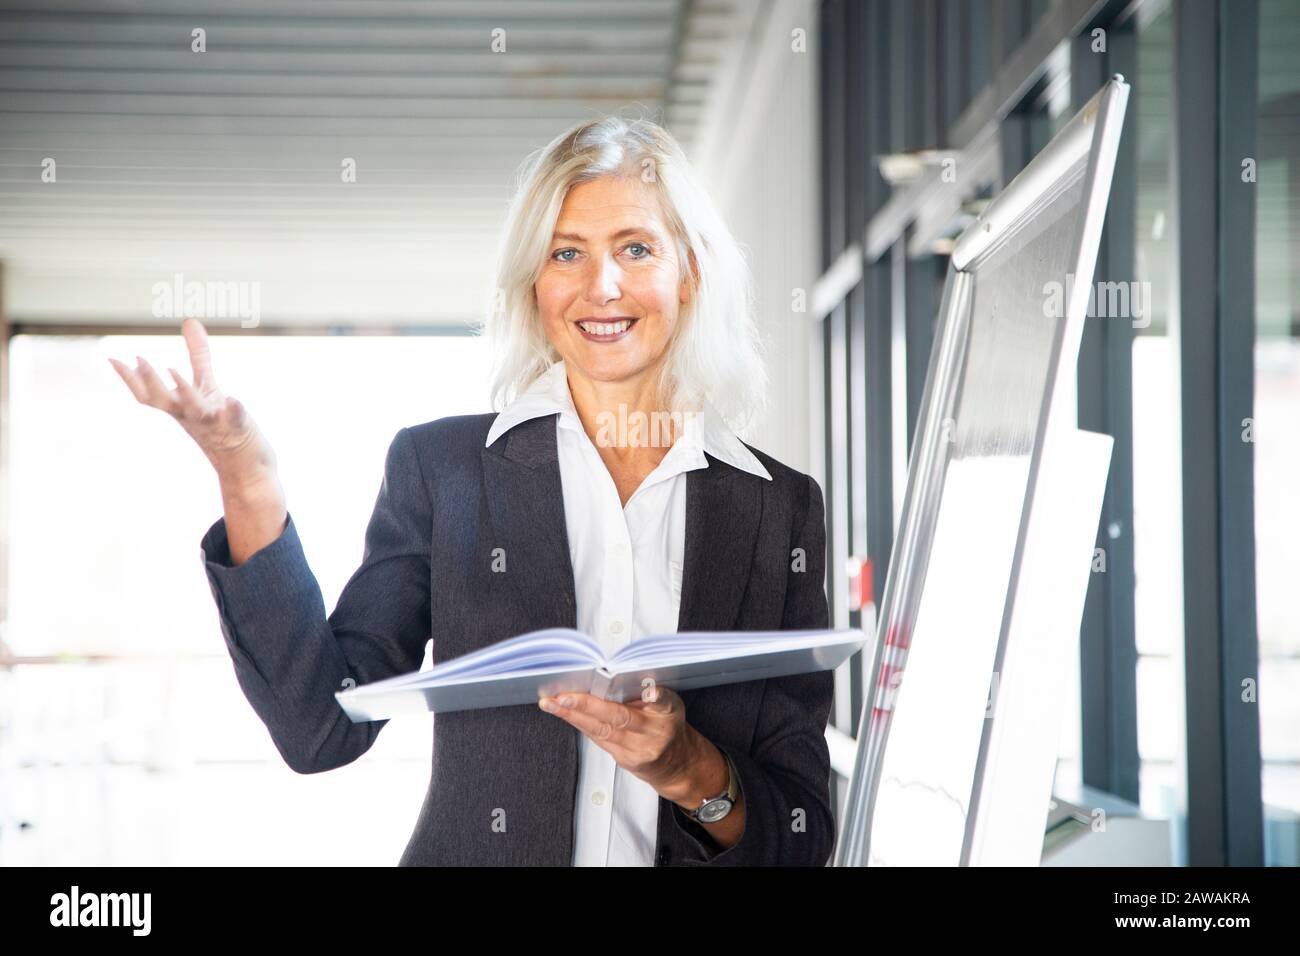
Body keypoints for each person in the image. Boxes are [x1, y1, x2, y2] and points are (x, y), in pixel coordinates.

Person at [109, 114, 834, 867]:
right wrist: (246, 479)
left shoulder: (778, 511)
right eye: (567, 253)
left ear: (690, 274)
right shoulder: (444, 471)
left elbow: (803, 832)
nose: (602, 286)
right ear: (535, 284)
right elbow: (320, 729)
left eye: (636, 248)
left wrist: (693, 773)